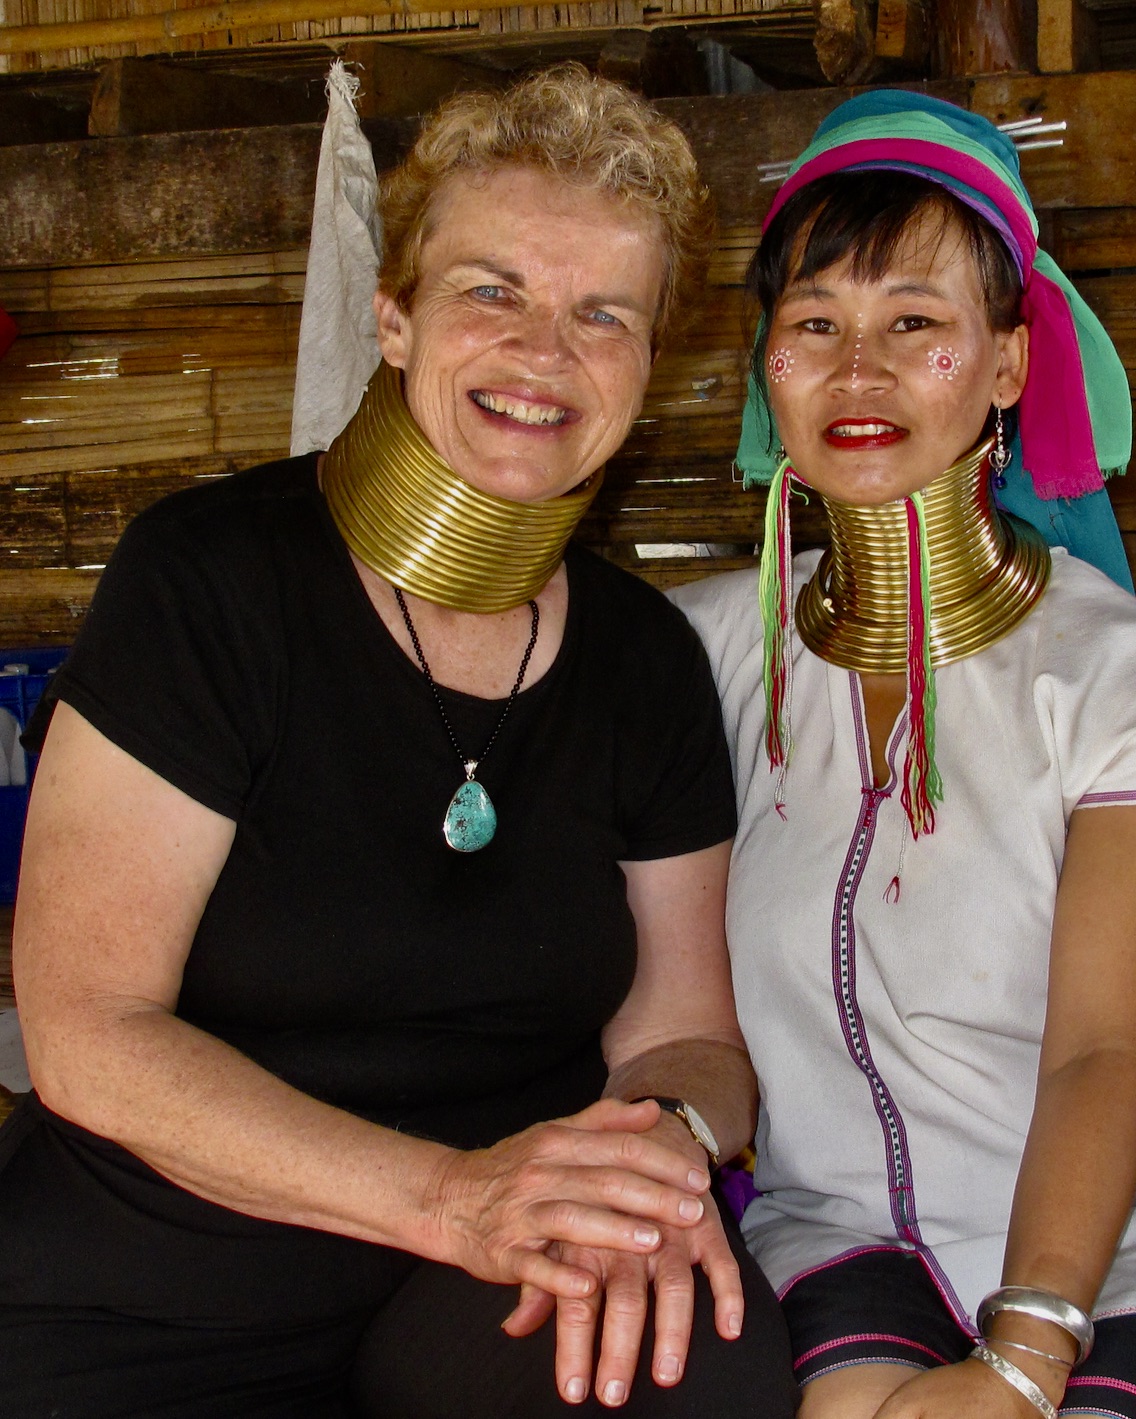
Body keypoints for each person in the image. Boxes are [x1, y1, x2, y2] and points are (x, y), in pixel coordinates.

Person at [0, 65, 796, 1419]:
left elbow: (685, 1037)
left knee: (696, 1359)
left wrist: (656, 1155)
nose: (546, 350)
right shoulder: (210, 582)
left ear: (648, 370)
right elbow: (87, 1033)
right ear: (394, 317)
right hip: (155, 1289)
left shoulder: (645, 662)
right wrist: (450, 1198)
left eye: (603, 314)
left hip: (488, 1283)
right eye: (494, 290)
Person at [670, 91, 1136, 1419]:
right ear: (765, 368)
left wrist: (1021, 1363)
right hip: (834, 1233)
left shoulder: (1119, 680)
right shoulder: (699, 656)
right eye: (815, 326)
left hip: (1129, 1242)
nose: (858, 371)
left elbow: (1099, 1052)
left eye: (917, 325)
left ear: (1010, 362)